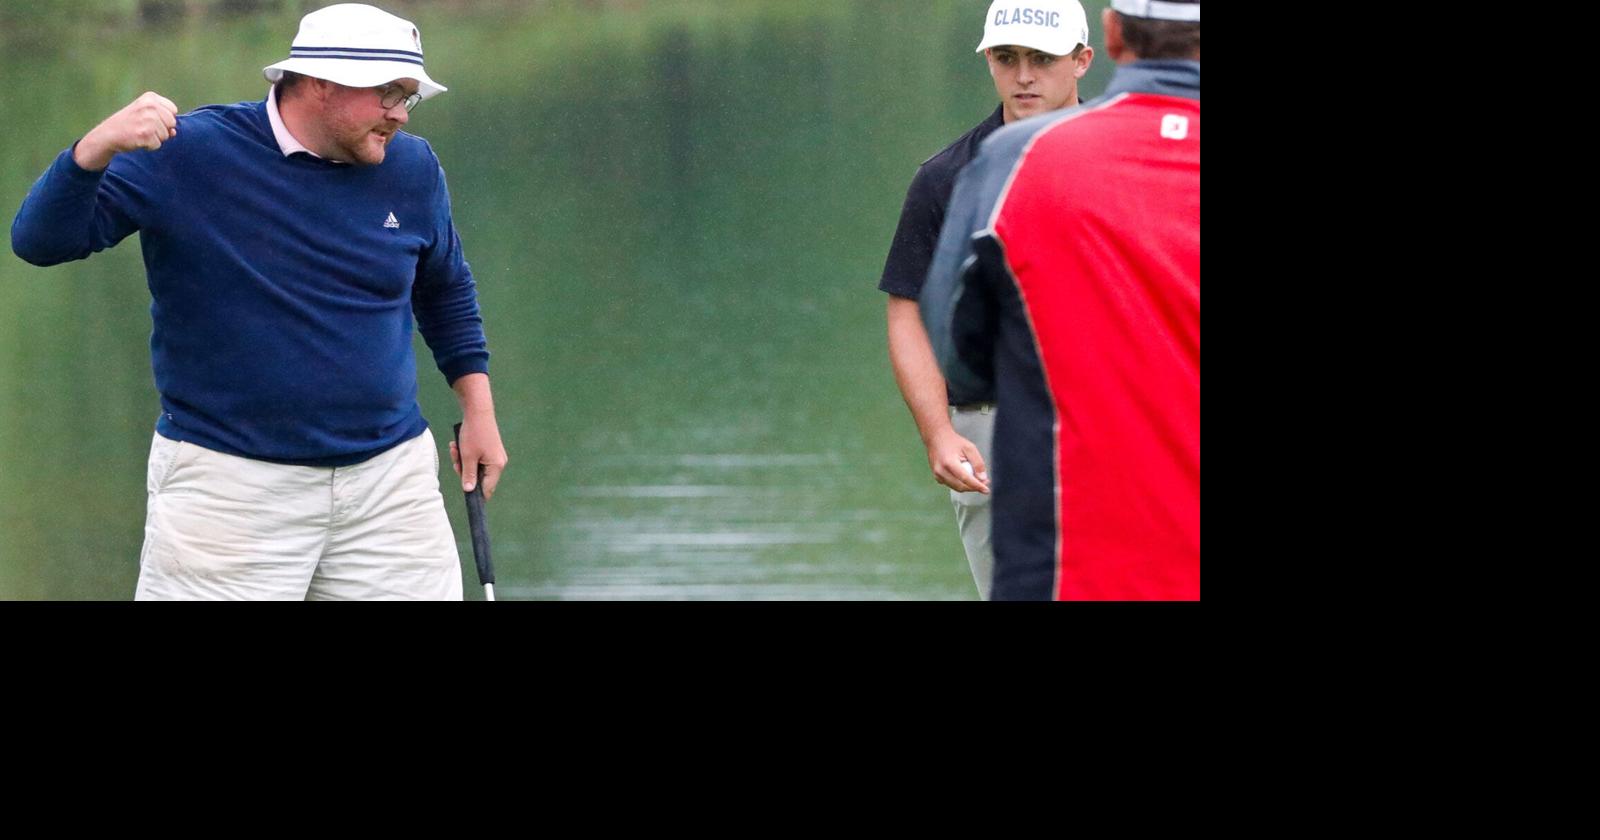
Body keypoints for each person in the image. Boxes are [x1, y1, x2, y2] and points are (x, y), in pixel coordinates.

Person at [10, 3, 508, 601]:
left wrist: (479, 413)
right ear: (323, 82)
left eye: (408, 97)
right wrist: (92, 152)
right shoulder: (186, 154)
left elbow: (445, 289)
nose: (400, 114)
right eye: (389, 93)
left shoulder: (412, 168)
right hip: (228, 491)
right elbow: (39, 242)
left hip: (388, 486)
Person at [920, 0, 1200, 600]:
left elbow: (958, 348)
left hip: (1064, 542)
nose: (1025, 75)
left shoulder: (1009, 161)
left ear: (1111, 37)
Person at [879, 0, 1093, 600]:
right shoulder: (946, 178)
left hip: (1111, 419)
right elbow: (908, 314)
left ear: (1081, 61)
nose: (1023, 75)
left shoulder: (1128, 158)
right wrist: (938, 434)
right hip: (991, 430)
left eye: (1041, 59)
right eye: (1006, 58)